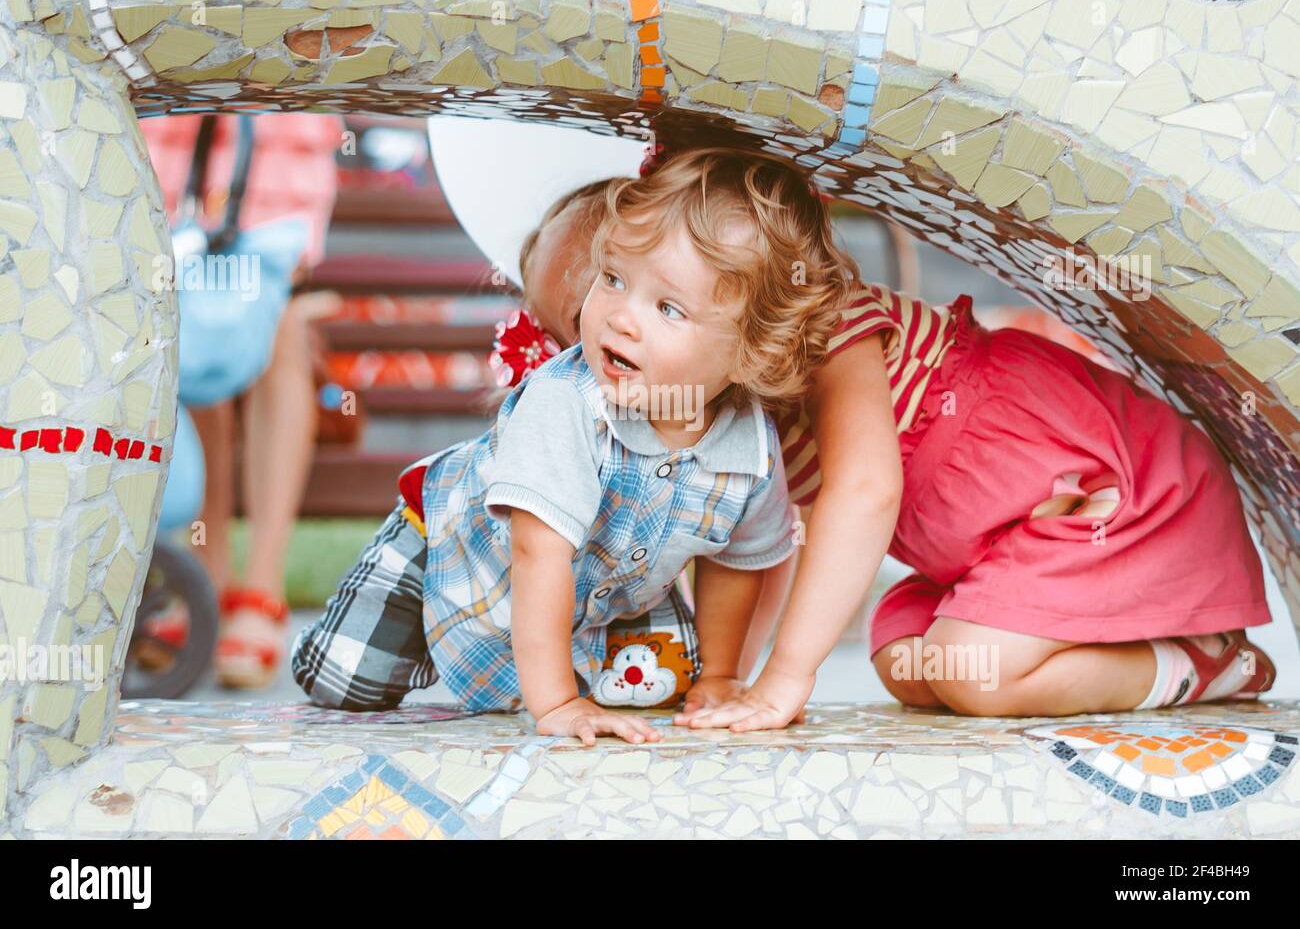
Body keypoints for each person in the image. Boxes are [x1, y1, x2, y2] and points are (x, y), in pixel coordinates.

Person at [511, 146, 1278, 728]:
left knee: (971, 674)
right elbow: (764, 544)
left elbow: (863, 490)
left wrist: (787, 680)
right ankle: (1104, 650)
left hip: (1109, 494)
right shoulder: (723, 398)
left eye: (663, 302)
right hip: (994, 542)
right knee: (907, 659)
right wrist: (726, 684)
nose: (608, 327)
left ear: (750, 311)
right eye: (596, 296)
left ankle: (1201, 665)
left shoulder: (830, 328)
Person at [291, 148, 849, 743]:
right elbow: (537, 555)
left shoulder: (749, 449)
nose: (619, 318)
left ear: (751, 353)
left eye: (667, 307)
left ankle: (571, 668)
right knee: (345, 681)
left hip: (604, 596)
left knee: (661, 690)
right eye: (613, 279)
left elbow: (735, 562)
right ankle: (403, 638)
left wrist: (721, 674)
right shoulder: (567, 402)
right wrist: (557, 704)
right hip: (450, 550)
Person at [140, 114, 345, 688]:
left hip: (273, 108)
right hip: (175, 97)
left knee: (277, 317)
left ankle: (260, 585)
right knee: (199, 315)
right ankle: (208, 576)